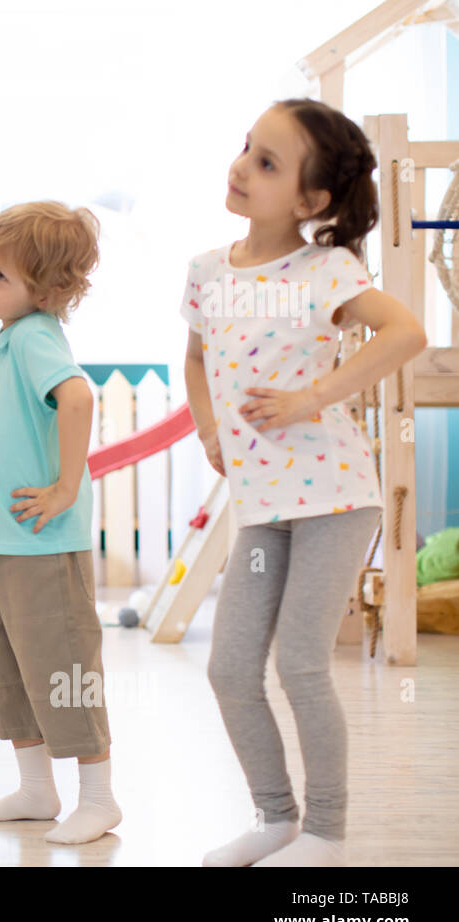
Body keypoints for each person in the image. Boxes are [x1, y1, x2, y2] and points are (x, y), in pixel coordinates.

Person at [182, 100, 428, 865]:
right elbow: (195, 358)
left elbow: (406, 331)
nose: (240, 166)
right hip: (261, 505)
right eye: (246, 148)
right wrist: (210, 429)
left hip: (334, 498)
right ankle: (275, 818)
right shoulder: (206, 272)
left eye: (266, 162)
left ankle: (325, 832)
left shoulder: (328, 268)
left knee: (300, 663)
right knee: (229, 668)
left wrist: (312, 399)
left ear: (312, 201)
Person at [0, 201, 122, 844]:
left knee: (64, 669)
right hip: (7, 541)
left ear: (46, 292)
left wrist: (65, 486)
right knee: (14, 671)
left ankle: (100, 797)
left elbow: (78, 395)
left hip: (42, 543)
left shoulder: (33, 337)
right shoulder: (13, 336)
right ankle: (35, 789)